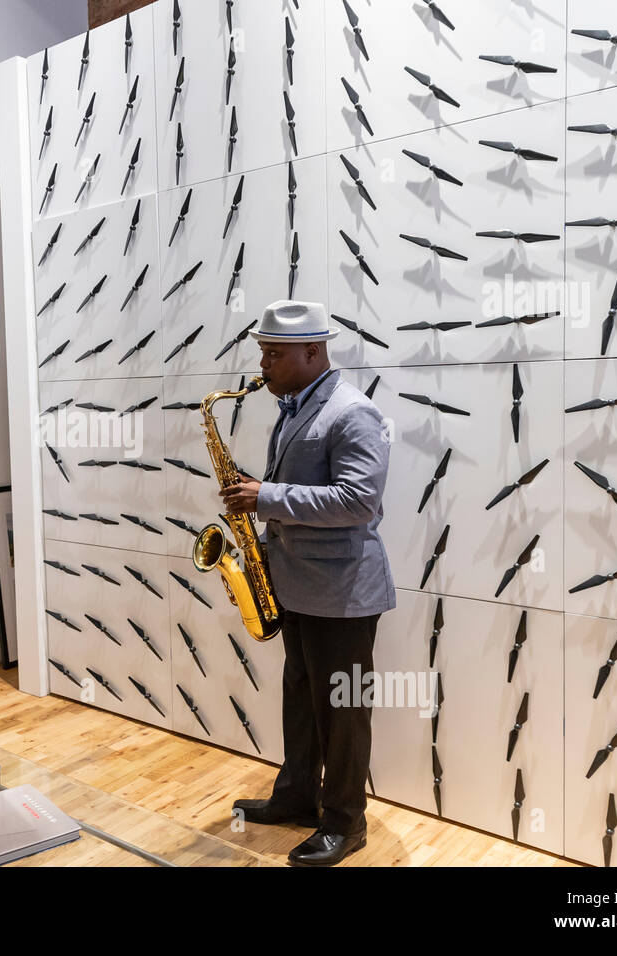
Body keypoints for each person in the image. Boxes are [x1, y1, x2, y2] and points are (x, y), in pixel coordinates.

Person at [219, 300, 396, 867]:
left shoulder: (352, 413)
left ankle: (346, 823)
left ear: (313, 351)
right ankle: (298, 795)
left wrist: (264, 496)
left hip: (342, 595)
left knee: (343, 710)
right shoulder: (297, 406)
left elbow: (359, 500)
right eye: (264, 353)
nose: (264, 364)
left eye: (274, 353)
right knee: (301, 698)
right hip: (300, 587)